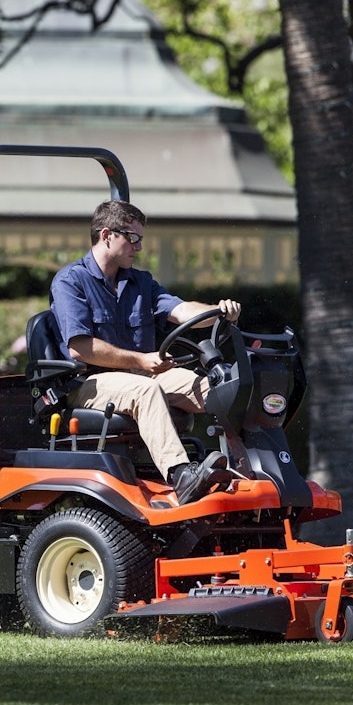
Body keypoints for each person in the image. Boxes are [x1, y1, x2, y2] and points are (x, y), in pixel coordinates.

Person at [50, 200, 242, 504]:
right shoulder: (71, 281)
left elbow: (182, 311)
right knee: (146, 389)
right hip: (88, 383)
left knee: (219, 387)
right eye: (133, 238)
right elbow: (80, 348)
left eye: (141, 239)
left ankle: (248, 469)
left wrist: (218, 311)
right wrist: (141, 360)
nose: (138, 248)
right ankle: (182, 476)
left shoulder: (141, 282)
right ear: (106, 235)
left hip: (141, 375)